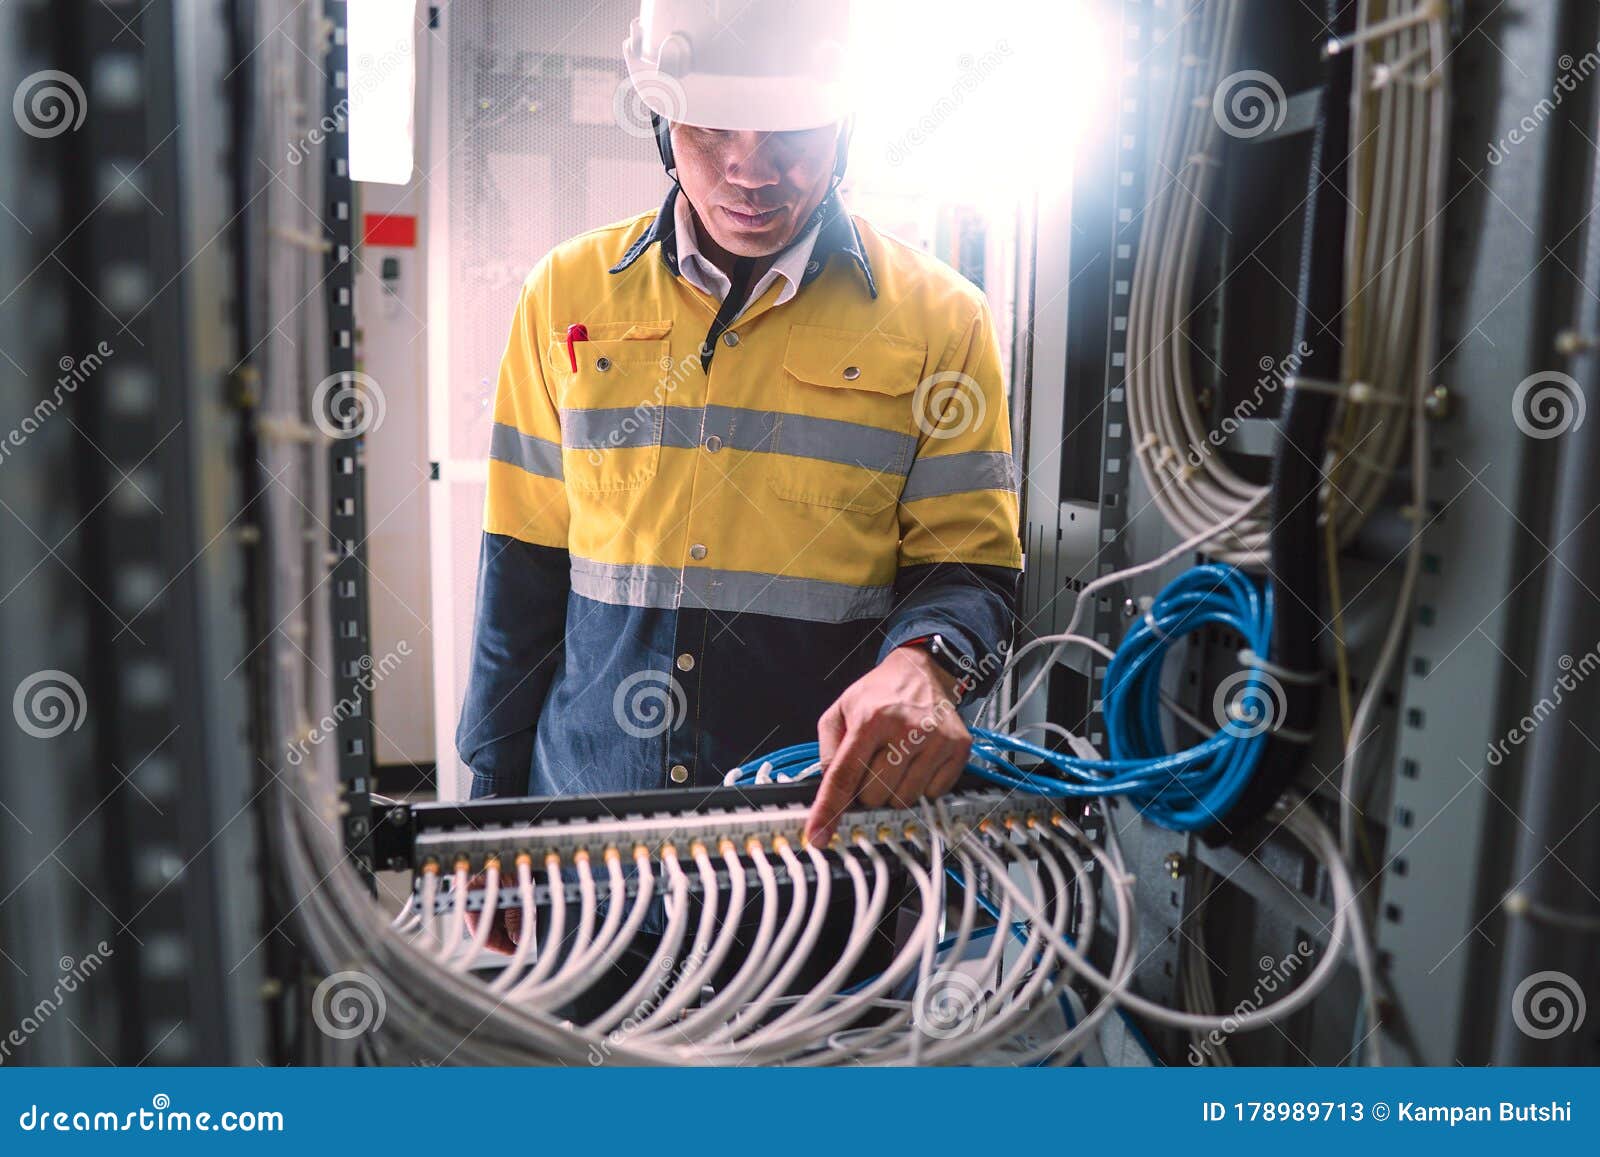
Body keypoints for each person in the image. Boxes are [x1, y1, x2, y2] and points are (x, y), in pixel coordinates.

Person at [456, 0, 1021, 853]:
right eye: (712, 129)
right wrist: (490, 815)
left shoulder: (945, 321)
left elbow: (970, 574)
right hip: (591, 839)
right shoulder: (563, 295)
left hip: (825, 856)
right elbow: (521, 577)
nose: (750, 172)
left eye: (792, 131)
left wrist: (927, 663)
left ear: (846, 120)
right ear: (659, 117)